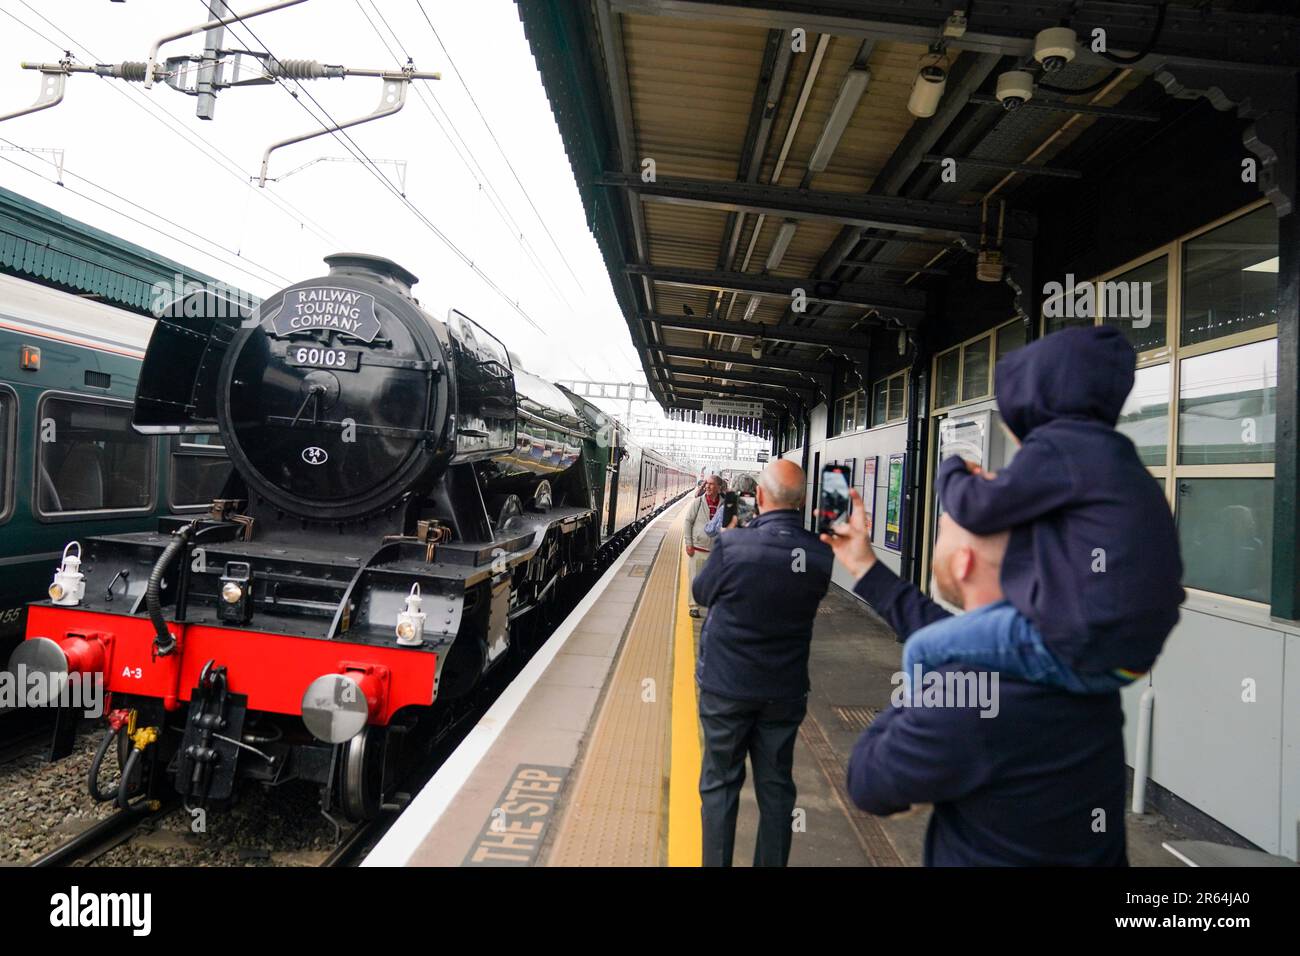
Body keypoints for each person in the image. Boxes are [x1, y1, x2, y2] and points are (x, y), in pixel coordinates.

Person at [823, 498, 1128, 865]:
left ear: (963, 561)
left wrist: (913, 695)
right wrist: (863, 566)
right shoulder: (1068, 659)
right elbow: (954, 637)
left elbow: (869, 783)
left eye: (941, 533)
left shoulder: (967, 695)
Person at [906, 325, 1184, 694]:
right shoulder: (1114, 453)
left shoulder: (1061, 446)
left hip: (1082, 641)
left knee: (924, 649)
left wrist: (952, 469)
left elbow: (977, 508)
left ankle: (924, 743)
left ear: (1036, 393)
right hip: (1134, 654)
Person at [691, 460, 833, 867]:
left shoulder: (734, 546)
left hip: (725, 688)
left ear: (760, 497)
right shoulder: (819, 554)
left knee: (720, 785)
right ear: (802, 500)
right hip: (783, 692)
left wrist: (728, 542)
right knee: (776, 789)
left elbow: (703, 593)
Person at [683, 474, 723, 618]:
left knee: (715, 580)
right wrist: (689, 543)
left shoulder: (725, 504)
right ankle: (694, 606)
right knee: (694, 578)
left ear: (719, 487)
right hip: (698, 547)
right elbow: (688, 521)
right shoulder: (698, 502)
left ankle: (712, 605)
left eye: (711, 484)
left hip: (717, 550)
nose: (707, 486)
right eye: (706, 483)